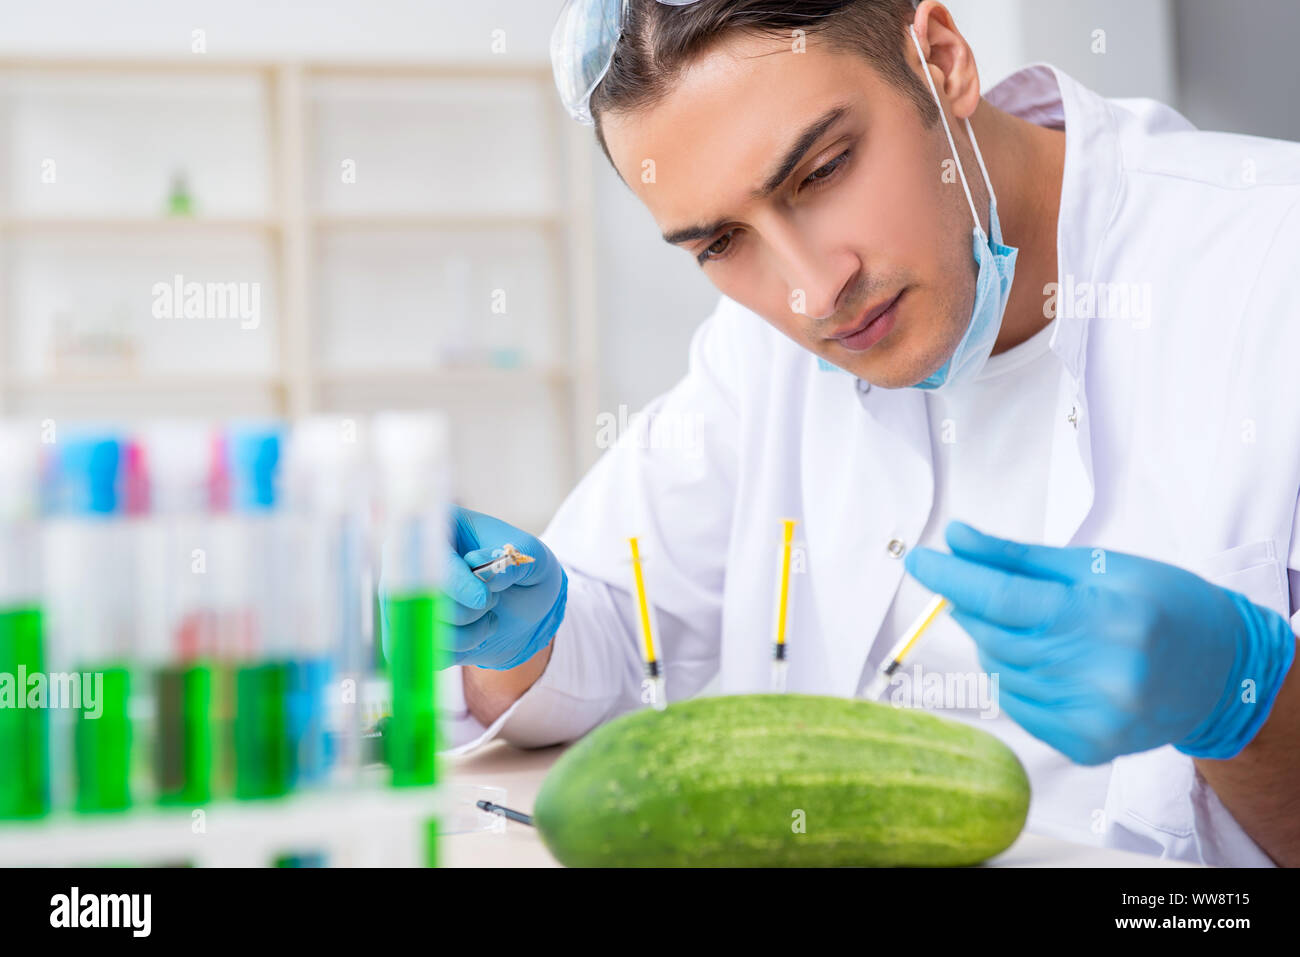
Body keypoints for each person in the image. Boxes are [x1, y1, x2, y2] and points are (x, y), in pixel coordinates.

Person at [431, 0, 1300, 866]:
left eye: (821, 171)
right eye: (722, 241)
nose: (810, 292)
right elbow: (615, 635)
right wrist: (518, 634)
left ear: (943, 59)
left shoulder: (1271, 261)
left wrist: (1246, 696)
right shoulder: (753, 354)